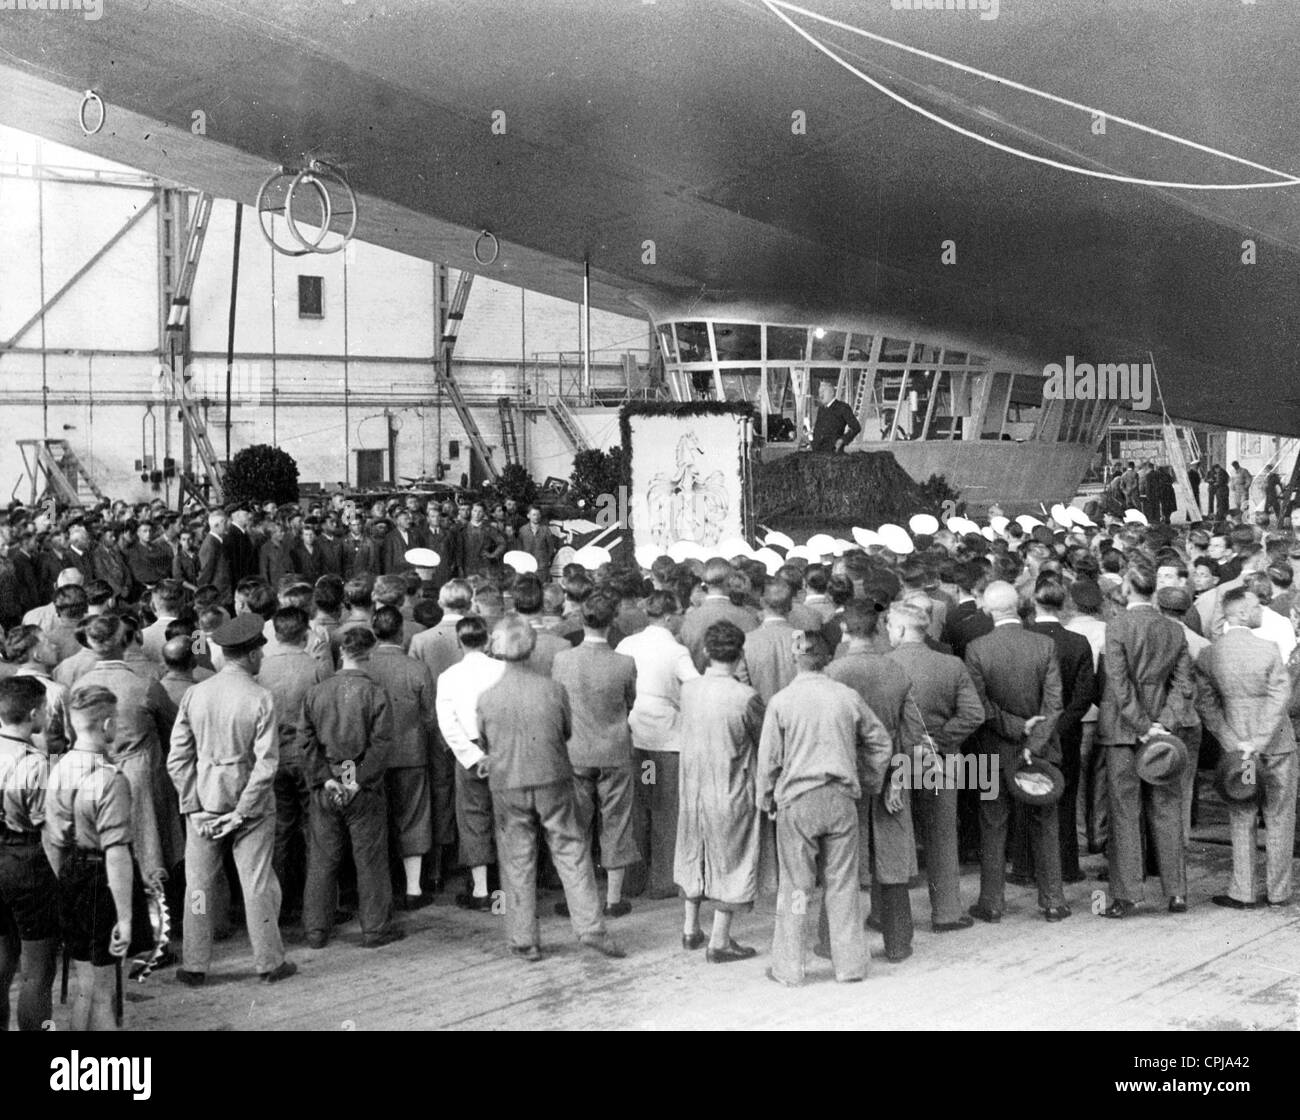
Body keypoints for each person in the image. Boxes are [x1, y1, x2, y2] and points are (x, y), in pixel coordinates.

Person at [477, 616, 624, 962]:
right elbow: (567, 732)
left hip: (507, 783)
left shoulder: (487, 698)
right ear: (530, 645)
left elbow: (484, 741)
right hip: (553, 779)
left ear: (496, 648)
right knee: (572, 850)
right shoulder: (554, 690)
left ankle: (524, 939)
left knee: (517, 859)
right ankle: (591, 928)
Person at [758, 630, 893, 987]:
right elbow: (881, 744)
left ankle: (789, 967)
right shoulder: (847, 696)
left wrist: (767, 797)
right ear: (829, 658)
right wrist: (866, 782)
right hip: (841, 800)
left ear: (794, 657)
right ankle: (850, 966)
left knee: (797, 887)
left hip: (798, 802)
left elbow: (769, 760)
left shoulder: (781, 702)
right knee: (843, 885)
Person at [168, 612, 295, 984]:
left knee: (199, 887)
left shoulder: (195, 693)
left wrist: (193, 806)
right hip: (250, 808)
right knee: (256, 885)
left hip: (204, 805)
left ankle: (194, 965)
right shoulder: (260, 698)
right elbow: (267, 764)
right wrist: (241, 811)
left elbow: (177, 759)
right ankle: (270, 963)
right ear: (253, 655)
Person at [825, 601, 927, 961]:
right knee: (893, 858)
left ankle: (832, 942)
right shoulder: (896, 671)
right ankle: (898, 943)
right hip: (889, 776)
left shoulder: (833, 672)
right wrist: (899, 778)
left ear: (844, 631)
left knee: (841, 859)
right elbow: (914, 734)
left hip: (845, 775)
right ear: (879, 630)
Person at [964, 581, 1069, 923]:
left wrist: (1014, 726)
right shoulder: (1045, 645)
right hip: (1041, 752)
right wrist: (1034, 740)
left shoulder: (976, 649)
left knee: (992, 826)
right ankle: (1053, 901)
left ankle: (992, 903)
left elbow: (980, 707)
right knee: (1044, 823)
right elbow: (1054, 704)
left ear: (988, 610)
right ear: (1018, 606)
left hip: (990, 753)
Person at [1097, 564, 1194, 917]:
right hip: (1163, 731)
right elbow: (1184, 685)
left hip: (1123, 732)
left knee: (1125, 812)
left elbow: (1119, 683)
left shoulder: (1117, 626)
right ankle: (1177, 892)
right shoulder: (1172, 630)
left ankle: (1127, 895)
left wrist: (1140, 725)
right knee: (1167, 806)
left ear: (1128, 589)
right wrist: (1162, 724)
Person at [298, 627, 403, 949]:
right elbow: (382, 743)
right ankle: (374, 929)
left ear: (341, 652)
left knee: (322, 859)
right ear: (369, 655)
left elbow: (305, 741)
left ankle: (316, 931)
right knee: (369, 859)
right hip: (362, 785)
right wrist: (355, 780)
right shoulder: (375, 692)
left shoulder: (317, 691)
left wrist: (327, 779)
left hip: (326, 782)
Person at [886, 599, 985, 933]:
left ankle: (886, 915)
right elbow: (974, 713)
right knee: (942, 835)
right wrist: (940, 740)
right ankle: (946, 912)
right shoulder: (951, 665)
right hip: (941, 760)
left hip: (897, 761)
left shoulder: (885, 665)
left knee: (893, 837)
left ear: (899, 629)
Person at [1197, 588, 1297, 909]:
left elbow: (1207, 704)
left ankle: (1243, 890)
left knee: (1243, 813)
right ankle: (1279, 891)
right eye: (1255, 607)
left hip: (1239, 754)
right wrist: (1260, 741)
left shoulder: (1211, 655)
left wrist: (1235, 742)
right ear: (1239, 613)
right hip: (1276, 745)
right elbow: (1279, 699)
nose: (1260, 611)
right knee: (1280, 815)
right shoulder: (1269, 649)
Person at [43, 685, 134, 1030]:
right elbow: (117, 854)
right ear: (107, 724)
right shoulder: (111, 780)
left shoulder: (59, 767)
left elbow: (51, 839)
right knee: (105, 991)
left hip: (69, 875)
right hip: (102, 883)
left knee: (84, 985)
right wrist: (125, 918)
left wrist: (63, 885)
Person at [674, 620, 765, 962]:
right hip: (730, 785)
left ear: (706, 652)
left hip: (693, 785)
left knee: (693, 849)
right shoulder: (747, 697)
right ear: (740, 654)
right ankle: (720, 941)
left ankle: (689, 929)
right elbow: (763, 740)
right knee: (731, 857)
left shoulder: (689, 689)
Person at [551, 591, 640, 919]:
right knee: (617, 822)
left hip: (575, 751)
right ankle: (614, 899)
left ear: (581, 618)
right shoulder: (624, 662)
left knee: (576, 824)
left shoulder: (562, 659)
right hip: (615, 751)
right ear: (612, 619)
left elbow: (558, 703)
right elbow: (631, 702)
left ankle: (578, 899)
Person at [615, 590, 700, 899]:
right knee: (666, 810)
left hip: (636, 735)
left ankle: (632, 879)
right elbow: (694, 688)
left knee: (638, 808)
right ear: (667, 616)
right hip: (667, 739)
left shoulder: (627, 644)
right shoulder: (677, 652)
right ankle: (663, 880)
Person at [367, 605, 437, 910]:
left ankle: (382, 888)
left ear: (374, 632)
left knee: (376, 821)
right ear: (400, 632)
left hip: (372, 758)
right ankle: (413, 888)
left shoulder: (363, 667)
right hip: (411, 753)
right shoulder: (416, 669)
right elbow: (429, 716)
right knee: (414, 818)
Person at [435, 615, 505, 911]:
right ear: (488, 639)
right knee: (507, 818)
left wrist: (473, 756)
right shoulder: (504, 669)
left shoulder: (449, 676)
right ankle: (506, 889)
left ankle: (481, 890)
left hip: (469, 752)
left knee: (474, 819)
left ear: (458, 642)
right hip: (503, 750)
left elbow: (447, 725)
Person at [0, 676, 58, 1031]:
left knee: (2, 958)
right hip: (26, 861)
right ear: (34, 714)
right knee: (37, 971)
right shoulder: (35, 763)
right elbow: (47, 828)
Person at [809, 380, 861, 453]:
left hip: (834, 454)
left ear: (832, 393)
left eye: (823, 391)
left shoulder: (842, 407)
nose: (821, 395)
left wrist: (842, 440)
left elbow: (856, 427)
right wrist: (811, 442)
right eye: (820, 392)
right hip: (817, 452)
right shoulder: (821, 409)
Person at [516, 505, 558, 574]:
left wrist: (546, 560)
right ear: (528, 516)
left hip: (542, 567)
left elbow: (551, 547)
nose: (536, 517)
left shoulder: (546, 530)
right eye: (534, 515)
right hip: (527, 566)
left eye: (538, 514)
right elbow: (519, 547)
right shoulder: (522, 530)